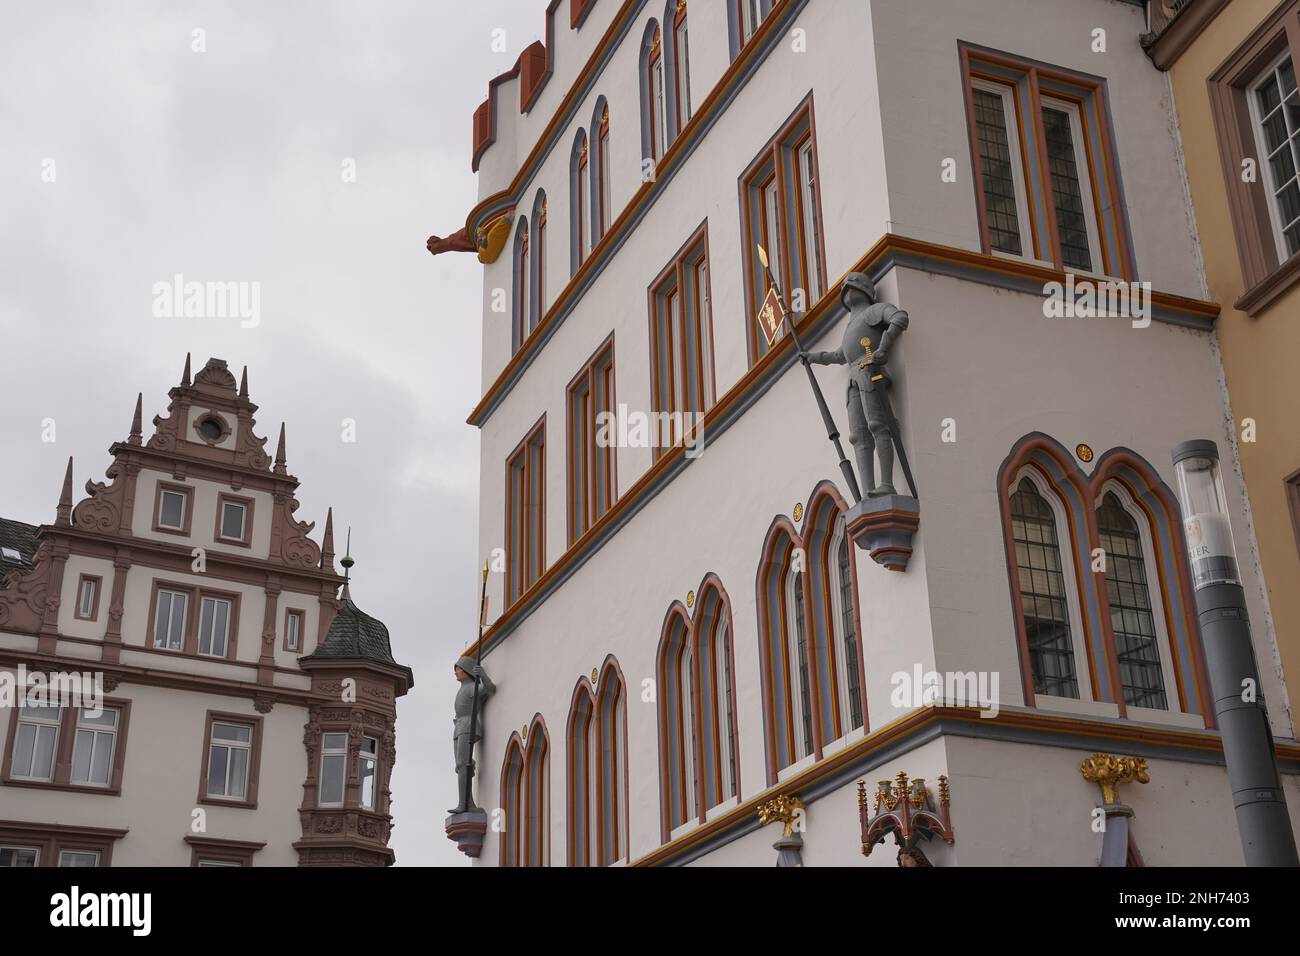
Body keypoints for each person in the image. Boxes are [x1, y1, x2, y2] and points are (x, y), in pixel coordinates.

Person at [804, 272, 909, 496]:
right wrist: (813, 358)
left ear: (865, 290)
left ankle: (887, 484)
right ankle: (867, 489)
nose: (848, 290)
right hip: (854, 377)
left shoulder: (874, 311)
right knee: (858, 435)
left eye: (853, 286)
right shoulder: (851, 326)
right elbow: (839, 355)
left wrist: (883, 347)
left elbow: (900, 318)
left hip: (869, 369)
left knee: (878, 425)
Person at [450, 654, 495, 813]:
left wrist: (482, 674)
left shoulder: (470, 688)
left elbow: (490, 689)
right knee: (461, 766)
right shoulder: (464, 688)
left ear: (467, 671)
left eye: (459, 669)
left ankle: (464, 804)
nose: (456, 672)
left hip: (468, 725)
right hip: (459, 726)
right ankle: (467, 802)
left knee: (463, 765)